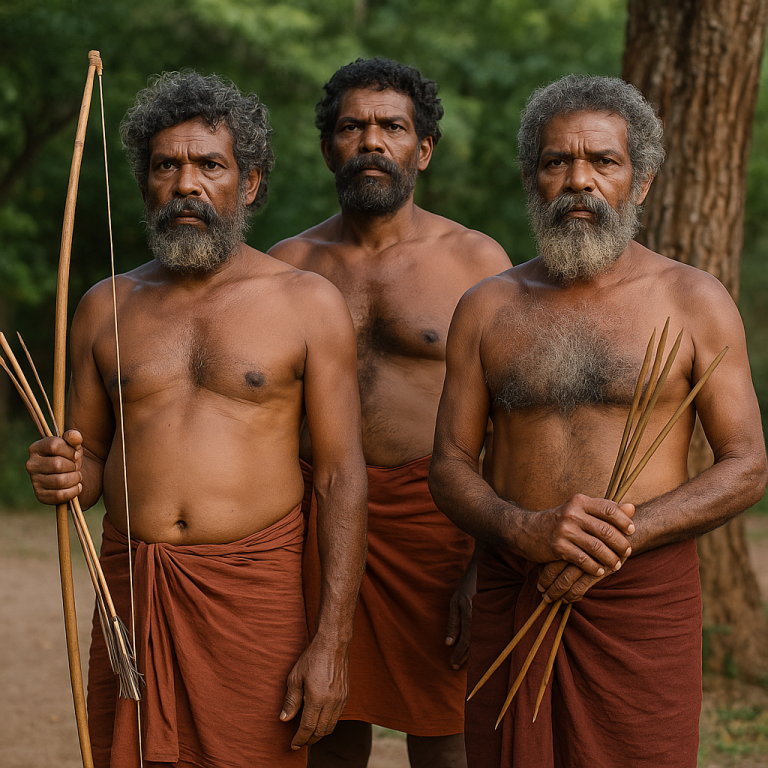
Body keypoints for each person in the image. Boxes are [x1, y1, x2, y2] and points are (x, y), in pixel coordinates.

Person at [25, 71, 368, 768]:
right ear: (146, 184)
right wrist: (60, 469)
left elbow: (339, 477)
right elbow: (86, 471)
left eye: (209, 165)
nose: (186, 184)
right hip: (134, 592)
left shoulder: (308, 303)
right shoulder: (104, 306)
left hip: (255, 594)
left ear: (248, 184)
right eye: (166, 167)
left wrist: (331, 641)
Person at [428, 74, 768, 768]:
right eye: (556, 162)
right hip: (518, 581)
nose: (578, 180)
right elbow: (450, 467)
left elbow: (747, 465)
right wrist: (526, 530)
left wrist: (621, 538)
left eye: (603, 162)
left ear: (638, 183)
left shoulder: (693, 300)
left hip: (638, 598)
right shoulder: (488, 307)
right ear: (533, 178)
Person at [269, 58, 510, 768]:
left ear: (423, 149)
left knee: (446, 736)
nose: (371, 139)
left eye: (392, 126)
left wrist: (485, 556)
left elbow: (509, 420)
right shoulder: (288, 264)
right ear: (327, 148)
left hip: (439, 527)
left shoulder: (476, 260)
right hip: (317, 519)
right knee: (321, 721)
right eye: (352, 126)